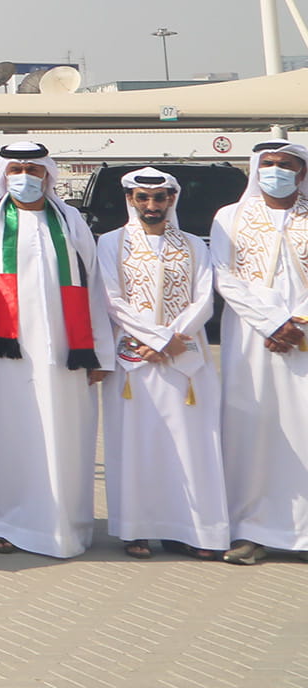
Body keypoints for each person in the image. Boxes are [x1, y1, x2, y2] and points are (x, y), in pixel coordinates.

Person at [0, 142, 113, 557]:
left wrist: (99, 352)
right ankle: (5, 522)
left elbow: (94, 285)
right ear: (3, 174)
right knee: (8, 436)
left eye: (33, 169)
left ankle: (65, 525)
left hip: (67, 352)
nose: (24, 177)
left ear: (48, 175)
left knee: (65, 436)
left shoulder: (70, 220)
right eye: (16, 169)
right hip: (5, 353)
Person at [99, 167, 226, 560]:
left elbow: (204, 298)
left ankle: (187, 530)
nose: (151, 206)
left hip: (184, 358)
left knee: (190, 445)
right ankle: (136, 529)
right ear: (131, 200)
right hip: (134, 360)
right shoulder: (110, 242)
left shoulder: (193, 245)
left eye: (159, 198)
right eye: (143, 198)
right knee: (136, 445)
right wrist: (154, 340)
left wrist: (171, 339)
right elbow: (111, 298)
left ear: (172, 199)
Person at [210, 141, 308, 566]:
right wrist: (271, 323)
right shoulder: (230, 217)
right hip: (250, 338)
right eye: (266, 163)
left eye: (285, 164)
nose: (274, 170)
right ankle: (249, 530)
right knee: (250, 429)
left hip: (303, 338)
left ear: (301, 173)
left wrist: (297, 322)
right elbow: (223, 276)